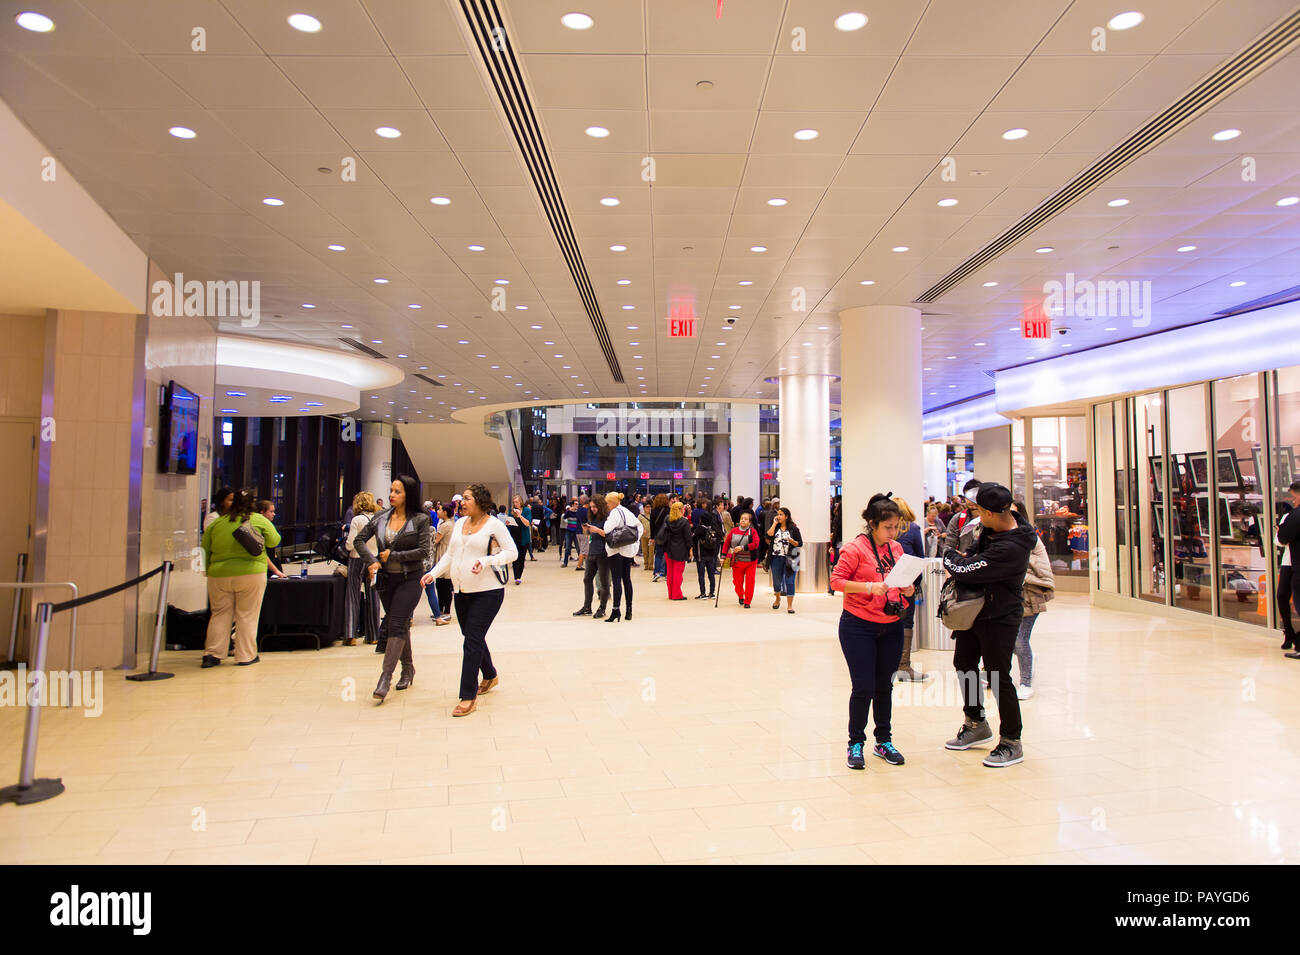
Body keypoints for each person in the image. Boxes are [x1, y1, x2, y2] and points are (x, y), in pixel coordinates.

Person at [941, 482, 1037, 768]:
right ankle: (975, 724)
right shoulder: (993, 529)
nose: (976, 516)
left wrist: (950, 554)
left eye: (979, 511)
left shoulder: (1012, 546)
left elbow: (965, 569)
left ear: (992, 513)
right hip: (976, 613)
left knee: (997, 676)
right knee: (964, 664)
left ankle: (1011, 740)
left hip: (1000, 617)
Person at [830, 494, 915, 769]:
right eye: (888, 527)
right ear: (872, 524)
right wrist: (868, 586)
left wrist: (908, 588)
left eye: (895, 527)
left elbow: (901, 581)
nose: (892, 532)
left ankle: (883, 740)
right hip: (858, 625)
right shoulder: (855, 548)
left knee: (884, 686)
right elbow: (836, 581)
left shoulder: (897, 549)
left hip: (891, 625)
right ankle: (855, 742)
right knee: (863, 687)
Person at [422, 483, 517, 716]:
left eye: (467, 498)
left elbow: (511, 552)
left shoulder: (494, 525)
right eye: (461, 499)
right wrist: (433, 573)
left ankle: (468, 695)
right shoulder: (460, 524)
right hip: (462, 591)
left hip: (488, 592)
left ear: (480, 501)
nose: (461, 503)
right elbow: (451, 554)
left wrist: (487, 561)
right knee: (472, 636)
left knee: (471, 640)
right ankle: (491, 674)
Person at [354, 474, 433, 702]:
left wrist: (393, 555)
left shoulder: (420, 519)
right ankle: (408, 668)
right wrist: (371, 560)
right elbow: (359, 540)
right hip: (387, 580)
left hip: (410, 578)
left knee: (396, 623)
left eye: (397, 491)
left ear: (408, 494)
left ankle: (385, 677)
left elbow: (423, 551)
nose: (391, 495)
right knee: (397, 623)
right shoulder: (381, 517)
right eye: (391, 490)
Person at [200, 488, 281, 668]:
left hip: (219, 574)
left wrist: (208, 571)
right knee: (247, 615)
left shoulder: (217, 523)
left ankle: (212, 654)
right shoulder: (257, 519)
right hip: (251, 573)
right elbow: (274, 541)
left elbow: (205, 548)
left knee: (219, 614)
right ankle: (245, 655)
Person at [1011, 500, 1055, 698]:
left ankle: (1026, 682)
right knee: (1010, 641)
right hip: (1010, 595)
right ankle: (1027, 657)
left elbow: (1036, 567)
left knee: (1020, 640)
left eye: (1013, 513)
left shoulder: (1028, 536)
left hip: (1030, 594)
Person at [892, 497, 929, 682]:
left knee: (889, 622)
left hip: (886, 583)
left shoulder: (885, 532)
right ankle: (903, 666)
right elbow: (919, 558)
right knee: (906, 623)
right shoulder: (913, 529)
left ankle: (889, 665)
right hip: (907, 583)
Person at [594, 491, 641, 622]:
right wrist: (635, 543)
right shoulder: (627, 511)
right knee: (627, 580)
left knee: (616, 581)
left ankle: (616, 610)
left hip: (616, 551)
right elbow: (639, 527)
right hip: (628, 550)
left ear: (610, 503)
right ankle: (629, 610)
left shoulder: (614, 513)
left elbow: (607, 529)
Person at [344, 492, 381, 645]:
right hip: (373, 559)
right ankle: (373, 635)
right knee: (373, 597)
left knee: (353, 595)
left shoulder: (356, 520)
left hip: (356, 559)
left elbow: (350, 544)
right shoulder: (378, 519)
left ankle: (351, 634)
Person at [573, 494, 611, 619]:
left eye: (595, 507)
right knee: (587, 579)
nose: (593, 509)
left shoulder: (607, 518)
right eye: (591, 507)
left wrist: (596, 530)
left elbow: (609, 535)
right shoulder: (592, 518)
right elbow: (590, 534)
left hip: (603, 553)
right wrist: (587, 530)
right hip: (592, 552)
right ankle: (587, 607)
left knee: (604, 583)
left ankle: (602, 608)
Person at [767, 507, 803, 613]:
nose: (778, 516)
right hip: (776, 557)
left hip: (792, 558)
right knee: (777, 582)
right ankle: (777, 598)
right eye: (778, 514)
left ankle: (790, 605)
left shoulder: (794, 529)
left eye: (781, 514)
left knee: (790, 582)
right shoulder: (775, 527)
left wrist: (792, 541)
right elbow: (768, 536)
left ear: (787, 516)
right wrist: (774, 524)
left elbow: (800, 543)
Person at [1278, 483, 1300, 659]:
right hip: (1290, 563)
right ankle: (1289, 633)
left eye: (1294, 496)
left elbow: (1282, 537)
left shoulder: (1294, 516)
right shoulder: (1291, 515)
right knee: (1283, 595)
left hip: (1296, 564)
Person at [656, 500, 693, 601]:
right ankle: (677, 594)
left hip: (668, 549)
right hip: (680, 550)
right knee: (678, 573)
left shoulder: (668, 519)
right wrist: (690, 550)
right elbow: (688, 538)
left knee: (670, 573)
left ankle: (671, 594)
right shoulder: (684, 522)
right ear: (681, 510)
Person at [725, 512, 760, 608]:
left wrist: (742, 547)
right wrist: (723, 556)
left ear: (749, 522)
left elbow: (756, 544)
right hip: (737, 561)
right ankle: (741, 595)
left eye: (746, 519)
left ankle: (748, 601)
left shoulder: (752, 532)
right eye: (741, 518)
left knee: (750, 582)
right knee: (737, 582)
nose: (743, 520)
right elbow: (727, 543)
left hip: (751, 562)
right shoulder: (734, 531)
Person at [430, 503, 455, 626]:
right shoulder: (451, 523)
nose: (437, 512)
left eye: (439, 510)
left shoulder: (445, 526)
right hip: (446, 552)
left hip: (443, 554)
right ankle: (442, 610)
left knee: (442, 585)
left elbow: (435, 540)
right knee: (445, 585)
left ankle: (443, 611)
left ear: (445, 512)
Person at [692, 499, 722, 599]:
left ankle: (703, 593)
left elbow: (694, 540)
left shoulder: (700, 529)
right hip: (711, 555)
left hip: (701, 555)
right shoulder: (713, 529)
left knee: (701, 575)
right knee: (711, 574)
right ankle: (712, 593)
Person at [255, 500, 288, 578]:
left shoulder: (268, 526)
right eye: (271, 511)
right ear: (262, 513)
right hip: (264, 564)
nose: (274, 514)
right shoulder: (258, 529)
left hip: (271, 559)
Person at [510, 495, 531, 583]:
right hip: (514, 537)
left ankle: (519, 575)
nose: (515, 504)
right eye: (514, 502)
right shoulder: (511, 511)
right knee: (515, 557)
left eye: (517, 502)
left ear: (521, 502)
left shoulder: (526, 510)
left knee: (522, 558)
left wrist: (520, 516)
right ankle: (516, 577)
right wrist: (508, 522)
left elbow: (527, 523)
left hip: (523, 537)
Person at [649, 493, 670, 581]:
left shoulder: (653, 511)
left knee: (658, 554)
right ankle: (664, 573)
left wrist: (652, 537)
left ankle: (656, 573)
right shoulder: (668, 510)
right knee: (666, 555)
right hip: (667, 535)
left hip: (658, 535)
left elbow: (652, 525)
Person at [562, 499, 580, 567]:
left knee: (578, 547)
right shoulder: (569, 512)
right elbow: (564, 517)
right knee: (567, 547)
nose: (577, 505)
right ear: (572, 505)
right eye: (576, 504)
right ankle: (565, 563)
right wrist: (569, 510)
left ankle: (580, 563)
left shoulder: (578, 512)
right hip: (569, 531)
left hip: (576, 531)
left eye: (578, 504)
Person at [638, 506, 654, 571]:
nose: (649, 508)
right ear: (644, 508)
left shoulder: (652, 515)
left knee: (651, 551)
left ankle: (650, 565)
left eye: (650, 507)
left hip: (651, 536)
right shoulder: (640, 516)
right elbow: (637, 525)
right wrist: (642, 530)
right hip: (643, 536)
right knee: (645, 551)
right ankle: (646, 564)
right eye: (647, 507)